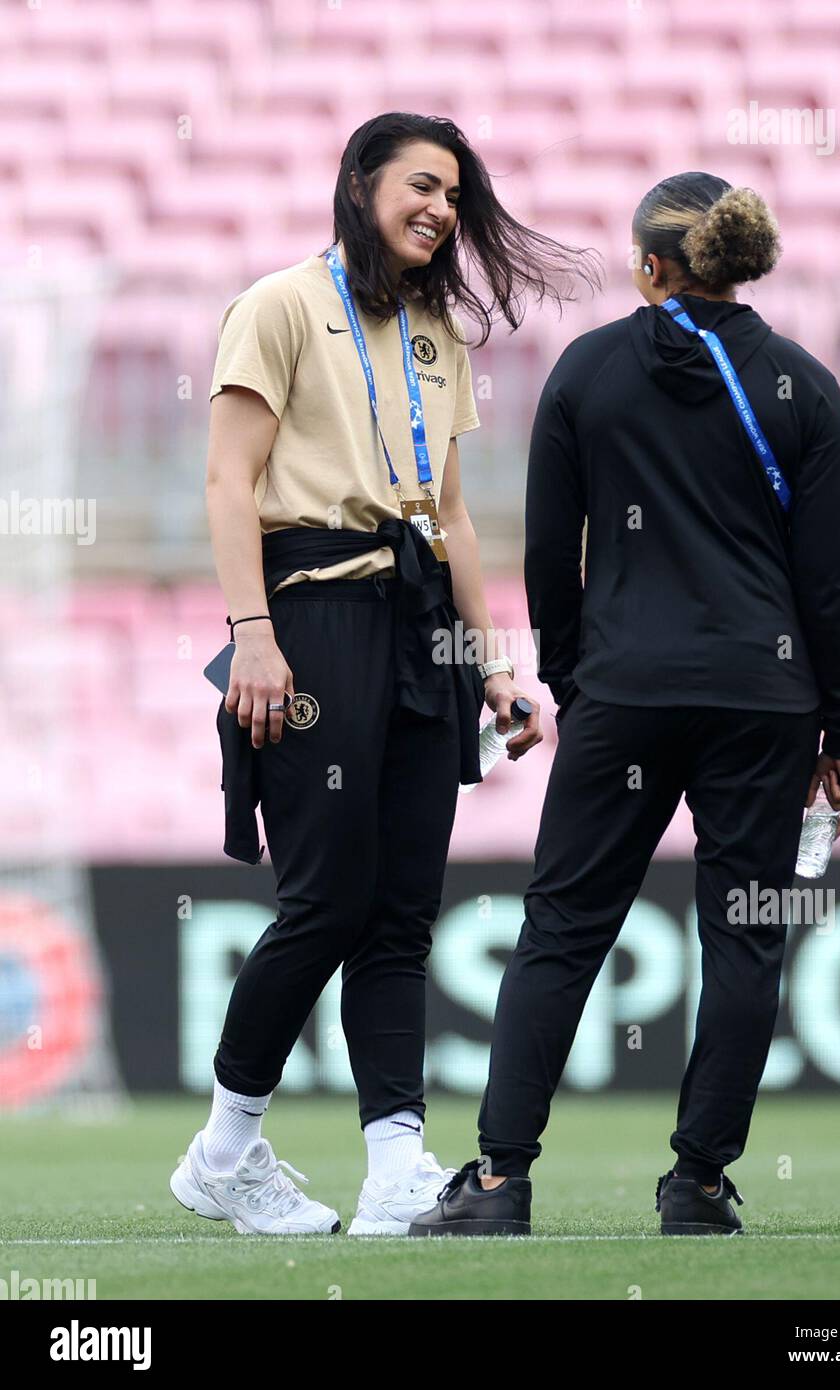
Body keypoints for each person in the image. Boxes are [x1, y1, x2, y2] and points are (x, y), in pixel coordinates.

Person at [409, 171, 840, 1239]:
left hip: (624, 693)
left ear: (651, 264)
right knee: (746, 938)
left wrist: (579, 680)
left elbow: (546, 556)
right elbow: (830, 583)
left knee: (561, 930)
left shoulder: (587, 373)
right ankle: (699, 1185)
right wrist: (839, 730)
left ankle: (498, 1181)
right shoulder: (804, 384)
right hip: (765, 699)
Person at [169, 112, 600, 1236]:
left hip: (418, 623)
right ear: (359, 184)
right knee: (326, 898)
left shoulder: (431, 330)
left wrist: (494, 666)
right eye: (423, 184)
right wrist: (252, 632)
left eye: (455, 194)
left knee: (404, 908)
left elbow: (449, 512)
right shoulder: (275, 307)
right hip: (310, 610)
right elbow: (228, 482)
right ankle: (225, 1148)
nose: (443, 210)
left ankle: (393, 1167)